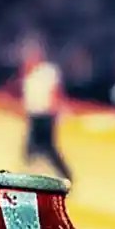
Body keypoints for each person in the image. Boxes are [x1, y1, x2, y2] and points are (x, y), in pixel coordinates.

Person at [18, 41, 73, 182]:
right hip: (34, 115)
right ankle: (28, 175)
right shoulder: (30, 72)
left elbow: (55, 92)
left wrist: (57, 108)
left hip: (46, 115)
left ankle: (66, 175)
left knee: (48, 149)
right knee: (30, 149)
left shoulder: (48, 71)